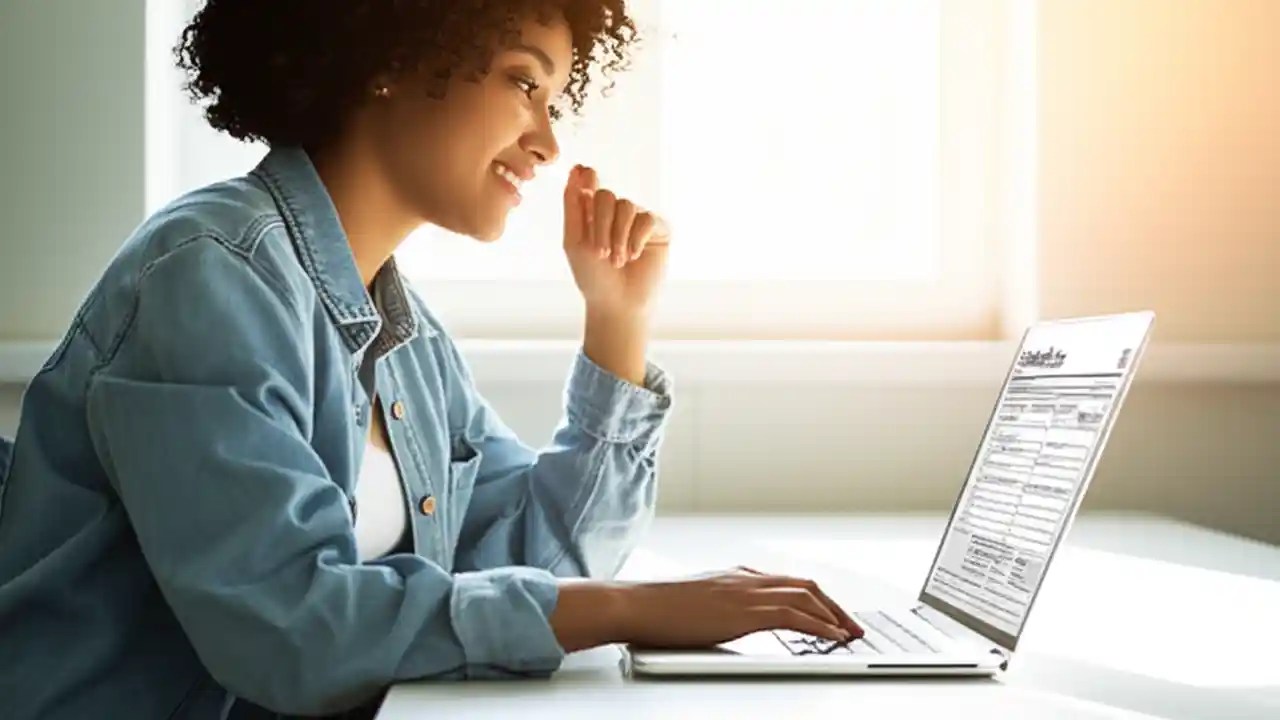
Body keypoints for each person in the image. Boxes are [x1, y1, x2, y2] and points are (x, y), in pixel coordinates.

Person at [0, 2, 862, 718]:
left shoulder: (402, 333)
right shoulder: (209, 277)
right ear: (395, 55)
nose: (547, 142)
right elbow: (289, 631)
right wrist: (635, 611)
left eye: (554, 99)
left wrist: (617, 322)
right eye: (524, 83)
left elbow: (539, 562)